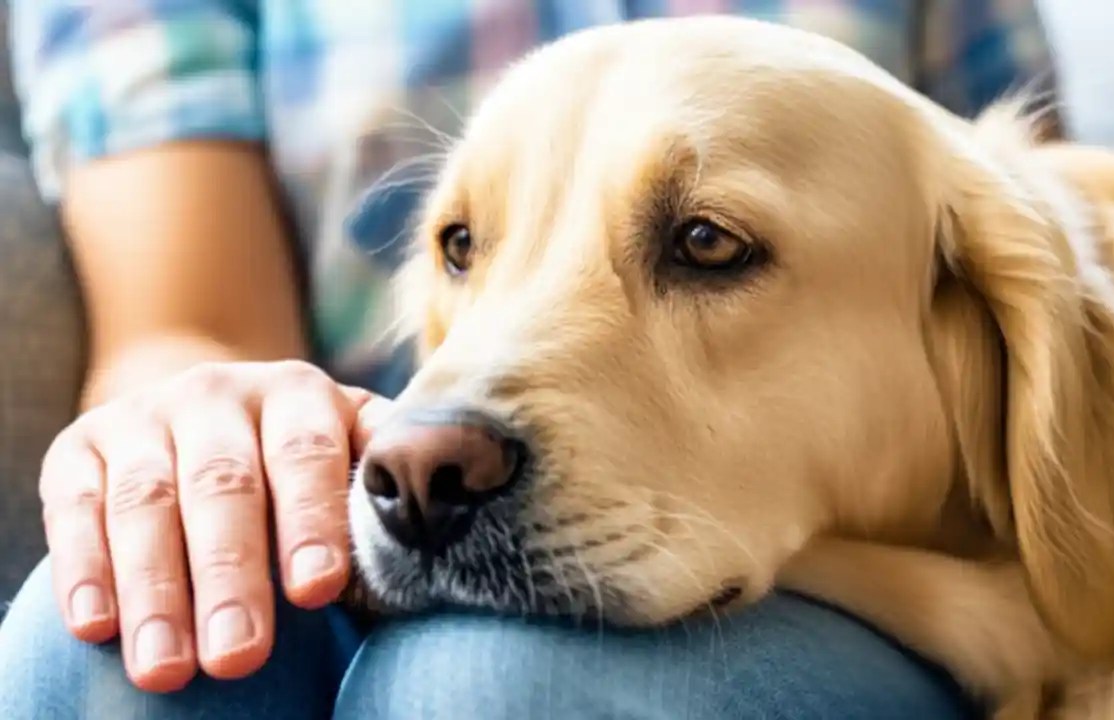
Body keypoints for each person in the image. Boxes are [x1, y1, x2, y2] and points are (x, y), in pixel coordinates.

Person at [0, 2, 1055, 717]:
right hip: (356, 525)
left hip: (843, 599)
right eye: (458, 245)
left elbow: (1041, 244)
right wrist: (195, 423)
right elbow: (185, 324)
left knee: (478, 691)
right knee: (93, 637)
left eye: (706, 244)